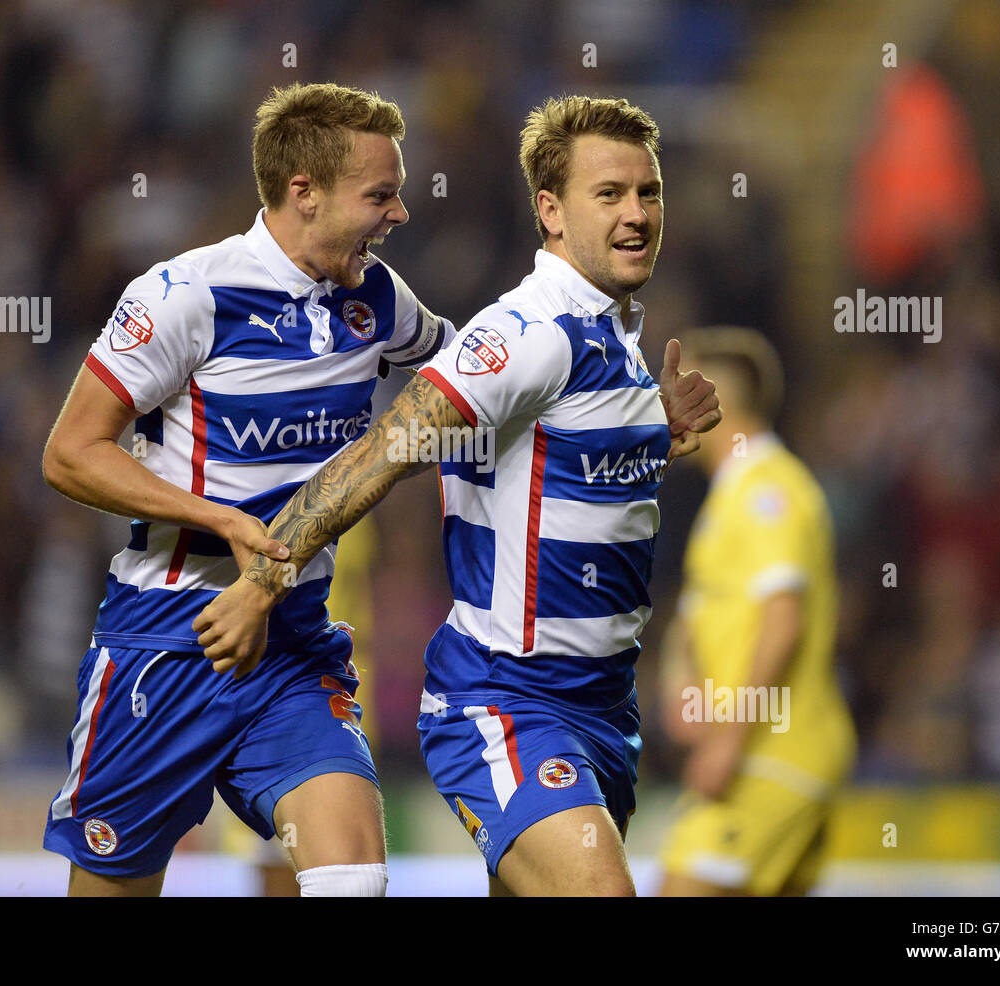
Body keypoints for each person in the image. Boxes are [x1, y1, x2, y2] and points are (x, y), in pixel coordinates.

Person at [195, 95, 721, 896]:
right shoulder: (527, 333)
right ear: (550, 210)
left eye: (647, 193)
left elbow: (559, 475)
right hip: (507, 702)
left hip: (604, 713)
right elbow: (384, 451)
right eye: (607, 194)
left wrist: (653, 428)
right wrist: (264, 580)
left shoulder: (615, 341)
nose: (637, 213)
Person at [40, 82, 453, 897]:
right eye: (381, 194)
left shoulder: (376, 296)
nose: (400, 213)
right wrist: (216, 518)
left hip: (294, 646)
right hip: (167, 643)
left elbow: (476, 371)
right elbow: (70, 453)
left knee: (354, 879)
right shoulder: (185, 295)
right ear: (305, 192)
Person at [655, 326, 856, 896]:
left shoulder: (770, 489)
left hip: (771, 756)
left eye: (671, 385)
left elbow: (782, 619)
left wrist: (728, 741)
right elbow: (700, 620)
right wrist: (682, 683)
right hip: (776, 757)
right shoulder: (733, 492)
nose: (656, 399)